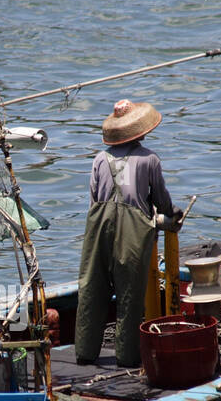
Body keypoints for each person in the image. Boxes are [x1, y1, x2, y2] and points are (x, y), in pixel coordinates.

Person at [75, 99, 182, 368]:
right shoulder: (150, 159)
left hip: (98, 226)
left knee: (92, 286)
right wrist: (172, 214)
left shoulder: (99, 159)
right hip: (133, 231)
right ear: (140, 131)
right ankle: (127, 357)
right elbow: (161, 200)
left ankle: (85, 353)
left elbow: (92, 200)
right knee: (129, 292)